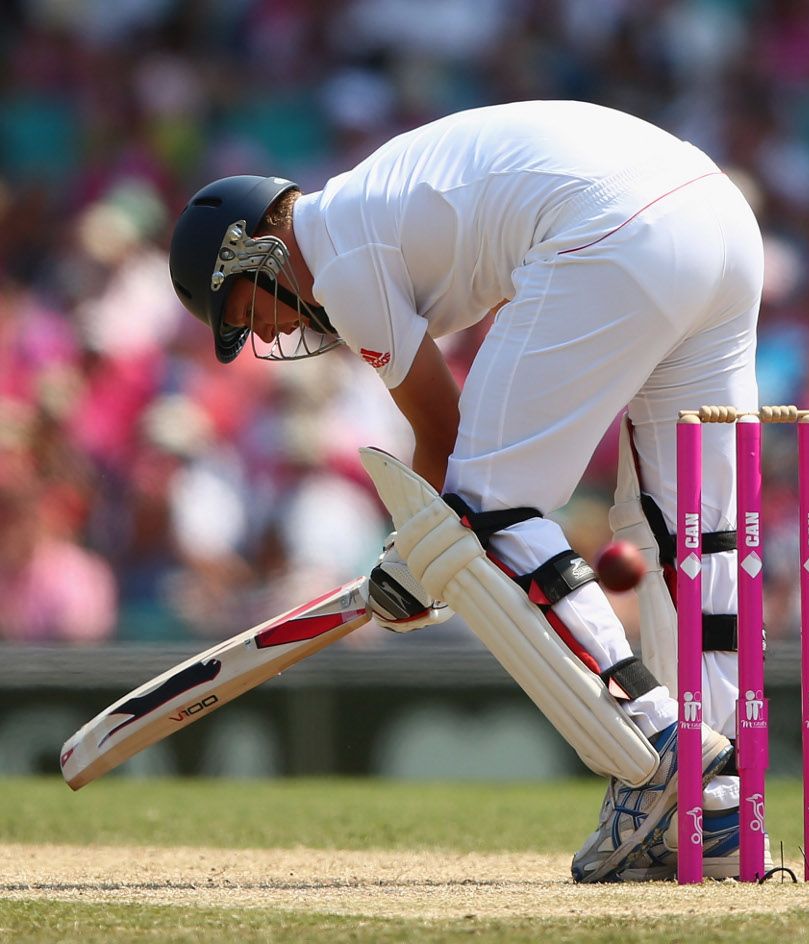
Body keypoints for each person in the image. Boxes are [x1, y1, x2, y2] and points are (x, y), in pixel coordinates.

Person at [169, 100, 764, 882]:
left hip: (615, 229)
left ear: (256, 247)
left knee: (492, 509)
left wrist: (421, 556)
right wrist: (417, 550)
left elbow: (445, 436)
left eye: (248, 310)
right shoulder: (368, 204)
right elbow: (441, 446)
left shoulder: (336, 253)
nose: (273, 337)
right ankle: (715, 808)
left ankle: (656, 748)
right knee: (696, 530)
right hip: (718, 211)